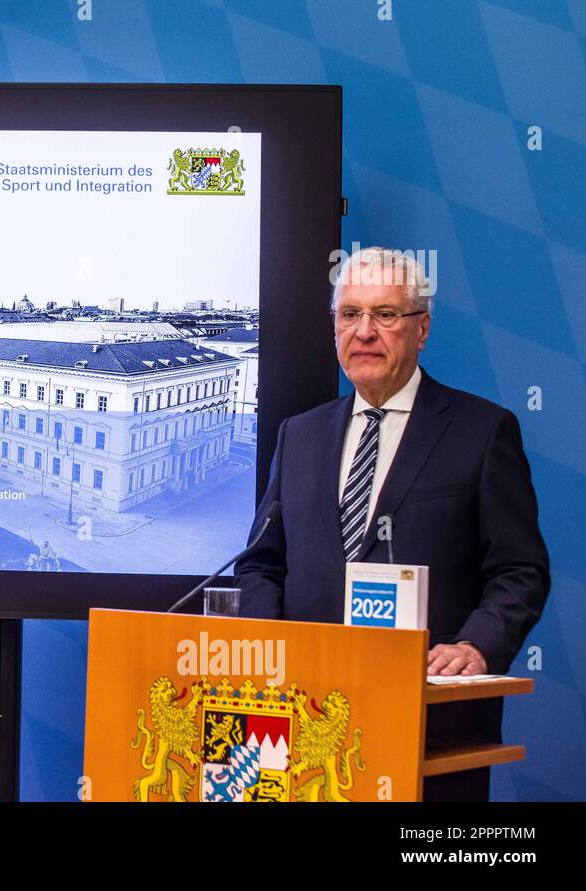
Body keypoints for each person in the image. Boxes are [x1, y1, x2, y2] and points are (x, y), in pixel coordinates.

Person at [235, 247, 550, 800]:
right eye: (349, 315)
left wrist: (477, 646)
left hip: (427, 723)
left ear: (421, 329)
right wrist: (266, 648)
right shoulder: (299, 434)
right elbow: (262, 562)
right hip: (297, 720)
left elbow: (520, 569)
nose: (364, 332)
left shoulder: (481, 431)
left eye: (385, 315)